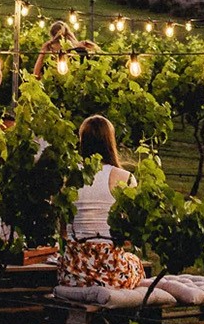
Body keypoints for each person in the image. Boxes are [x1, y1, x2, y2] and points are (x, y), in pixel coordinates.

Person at [57, 115, 145, 288]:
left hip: (74, 272)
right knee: (136, 263)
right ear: (110, 141)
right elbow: (131, 233)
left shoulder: (68, 177)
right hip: (112, 272)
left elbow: (64, 232)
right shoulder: (124, 178)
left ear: (81, 141)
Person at [31, 20, 100, 78]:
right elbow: (35, 77)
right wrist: (42, 54)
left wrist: (42, 54)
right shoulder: (52, 61)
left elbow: (36, 76)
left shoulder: (79, 53)